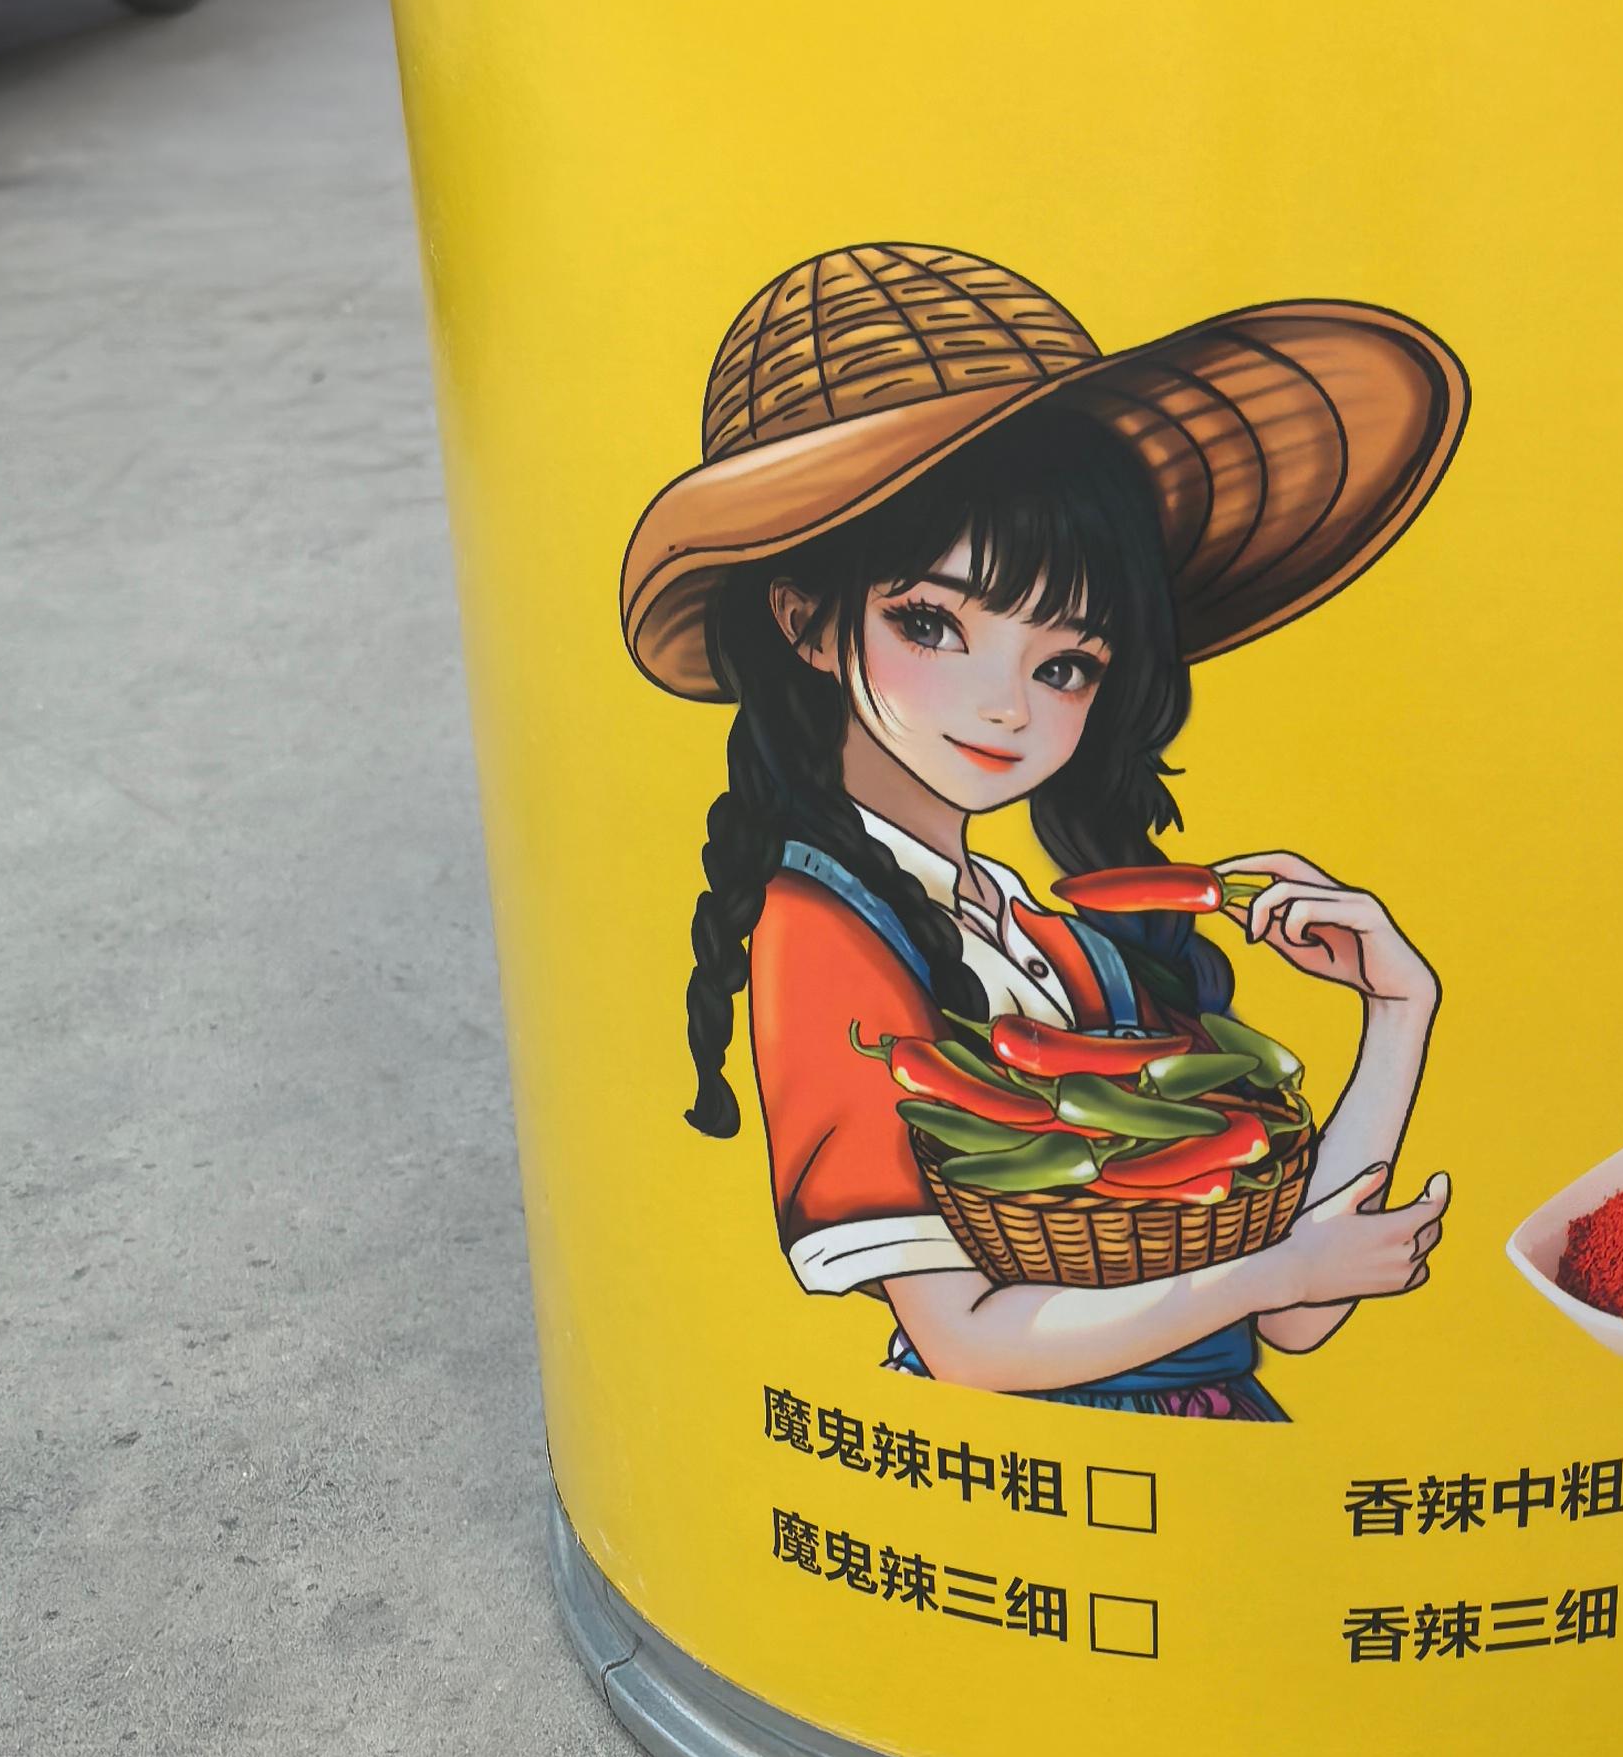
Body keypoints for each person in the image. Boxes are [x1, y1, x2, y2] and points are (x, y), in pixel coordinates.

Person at [617, 240, 1469, 1417]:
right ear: (806, 622)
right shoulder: (822, 937)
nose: (1008, 705)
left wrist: (1397, 1008)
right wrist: (1277, 1273)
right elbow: (965, 1340)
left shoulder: (1055, 941)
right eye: (931, 624)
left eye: (1066, 662)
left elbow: (1298, 1313)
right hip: (1036, 1445)